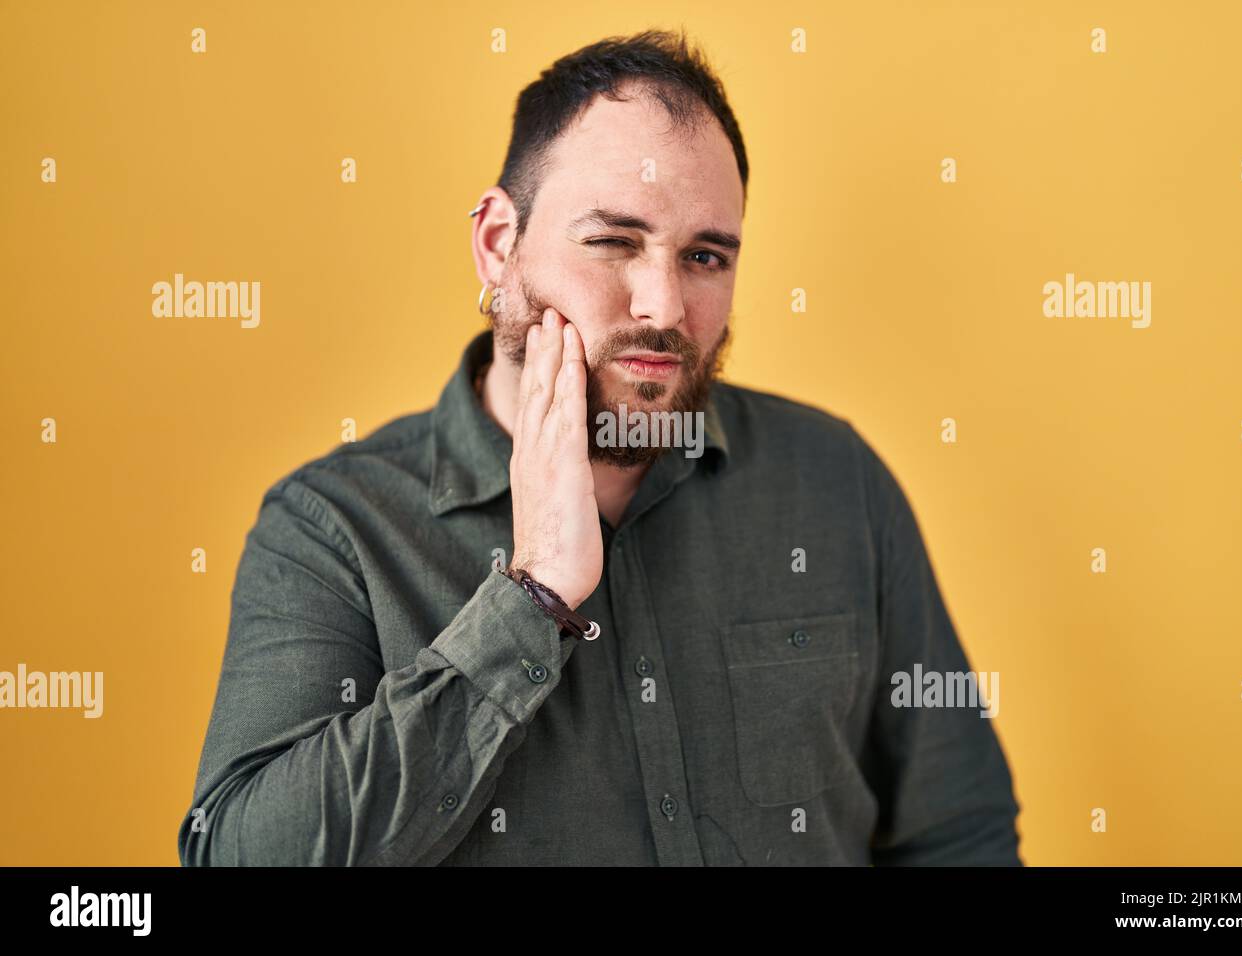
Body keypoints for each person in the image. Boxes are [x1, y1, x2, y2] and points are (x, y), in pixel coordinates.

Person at [179, 28, 1021, 866]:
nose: (662, 306)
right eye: (614, 242)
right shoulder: (336, 529)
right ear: (498, 245)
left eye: (704, 256)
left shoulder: (835, 484)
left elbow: (960, 832)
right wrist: (532, 594)